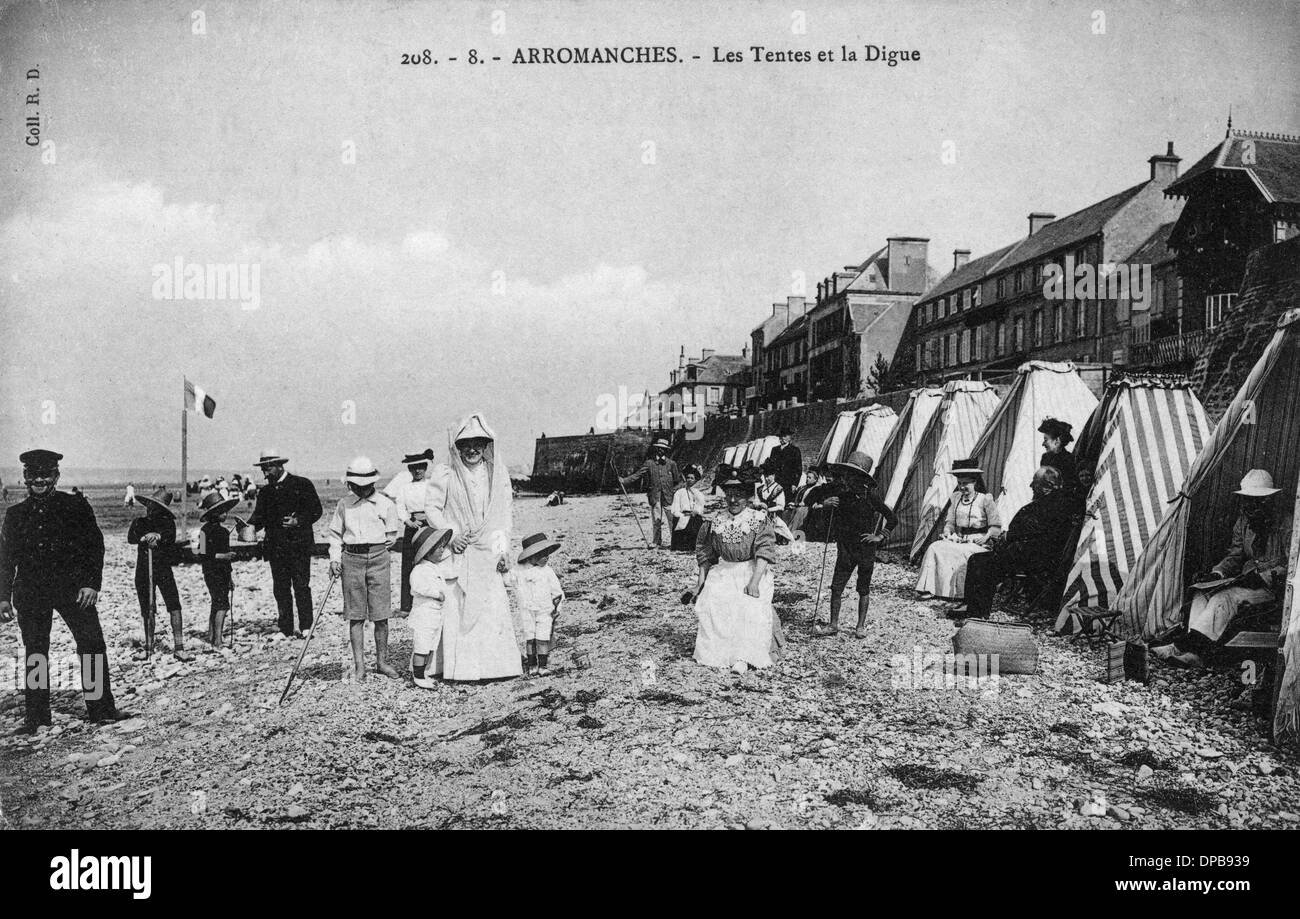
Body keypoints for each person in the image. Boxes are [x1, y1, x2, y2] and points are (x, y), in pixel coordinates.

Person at [0, 449, 129, 733]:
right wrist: (3, 597)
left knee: (92, 645)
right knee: (35, 652)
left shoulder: (76, 506)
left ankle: (102, 709)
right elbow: (6, 558)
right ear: (25, 478)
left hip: (73, 590)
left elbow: (94, 547)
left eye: (46, 475)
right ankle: (37, 718)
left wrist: (91, 584)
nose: (40, 480)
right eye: (34, 475)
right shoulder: (15, 515)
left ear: (56, 476)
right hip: (31, 593)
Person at [1152, 469, 1291, 668]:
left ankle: (1184, 647)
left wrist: (1264, 577)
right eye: (1248, 501)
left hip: (1271, 590)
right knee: (1201, 592)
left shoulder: (1287, 525)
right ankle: (1192, 652)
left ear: (1269, 500)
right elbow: (1235, 556)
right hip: (1247, 584)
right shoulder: (1245, 523)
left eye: (1258, 501)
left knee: (1224, 598)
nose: (1251, 507)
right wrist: (1216, 573)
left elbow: (1293, 565)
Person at [423, 413, 520, 681]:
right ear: (457, 446)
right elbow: (432, 507)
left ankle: (495, 669)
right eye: (466, 444)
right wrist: (451, 534)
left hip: (487, 552)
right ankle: (459, 670)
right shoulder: (446, 472)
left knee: (490, 608)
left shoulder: (496, 474)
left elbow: (503, 515)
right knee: (458, 607)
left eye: (478, 443)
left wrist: (502, 551)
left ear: (486, 445)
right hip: (460, 550)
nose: (472, 449)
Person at [685, 476, 784, 672]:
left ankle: (744, 656)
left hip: (751, 570)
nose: (733, 501)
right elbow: (705, 555)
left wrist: (754, 582)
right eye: (729, 495)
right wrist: (699, 584)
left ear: (748, 497)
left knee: (748, 606)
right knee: (714, 603)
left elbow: (764, 551)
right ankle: (721, 653)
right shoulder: (716, 521)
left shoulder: (758, 519)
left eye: (738, 496)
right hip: (724, 570)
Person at [956, 466, 1074, 620]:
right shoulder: (1054, 503)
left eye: (1035, 483)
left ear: (1048, 486)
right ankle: (972, 607)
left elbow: (1033, 531)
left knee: (981, 563)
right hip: (1029, 554)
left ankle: (977, 613)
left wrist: (1008, 536)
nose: (1031, 486)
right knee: (979, 560)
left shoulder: (1051, 506)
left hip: (1033, 560)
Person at [803, 452, 897, 638]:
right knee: (837, 587)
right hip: (845, 546)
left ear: (862, 478)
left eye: (853, 475)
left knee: (863, 587)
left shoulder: (871, 496)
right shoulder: (839, 492)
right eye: (847, 474)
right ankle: (833, 624)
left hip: (865, 548)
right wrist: (824, 503)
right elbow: (809, 499)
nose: (848, 478)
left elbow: (892, 518)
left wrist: (879, 536)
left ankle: (860, 626)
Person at [328, 457, 401, 681]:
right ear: (350, 484)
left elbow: (392, 534)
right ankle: (360, 666)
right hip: (351, 559)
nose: (361, 489)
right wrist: (334, 559)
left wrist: (384, 545)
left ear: (373, 483)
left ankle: (382, 662)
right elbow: (334, 535)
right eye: (356, 486)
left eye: (366, 485)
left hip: (379, 558)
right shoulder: (344, 504)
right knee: (356, 615)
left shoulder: (386, 504)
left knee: (381, 614)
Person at [249, 449, 323, 637]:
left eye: (268, 469)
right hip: (275, 549)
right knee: (280, 587)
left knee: (301, 585)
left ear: (279, 465)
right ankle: (286, 627)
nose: (265, 474)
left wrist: (298, 521)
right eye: (263, 470)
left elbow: (316, 510)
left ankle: (306, 626)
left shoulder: (302, 484)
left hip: (299, 546)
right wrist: (246, 528)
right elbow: (258, 518)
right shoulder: (265, 492)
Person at [915, 459, 1003, 600]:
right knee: (934, 547)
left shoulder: (985, 499)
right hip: (960, 538)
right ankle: (931, 588)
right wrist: (947, 532)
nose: (962, 487)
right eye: (959, 484)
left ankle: (959, 593)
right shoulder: (956, 498)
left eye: (965, 484)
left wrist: (986, 537)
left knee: (962, 553)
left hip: (979, 541)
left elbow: (996, 526)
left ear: (974, 482)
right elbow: (950, 521)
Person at [128, 487, 191, 661]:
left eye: (155, 506)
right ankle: (148, 647)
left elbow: (169, 539)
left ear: (161, 509)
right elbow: (131, 538)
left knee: (174, 605)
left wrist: (158, 536)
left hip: (163, 568)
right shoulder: (139, 522)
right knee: (147, 608)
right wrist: (143, 537)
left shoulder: (167, 523)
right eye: (149, 505)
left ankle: (179, 647)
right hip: (143, 570)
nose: (151, 508)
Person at [383, 448, 436, 616]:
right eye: (414, 468)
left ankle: (433, 601)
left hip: (430, 525)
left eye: (421, 467)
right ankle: (407, 606)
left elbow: (437, 504)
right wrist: (408, 521)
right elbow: (400, 506)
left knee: (431, 562)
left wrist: (428, 517)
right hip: (411, 527)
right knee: (408, 565)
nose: (418, 471)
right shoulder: (404, 488)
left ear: (425, 468)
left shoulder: (432, 486)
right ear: (409, 470)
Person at [505, 532, 566, 676]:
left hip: (545, 610)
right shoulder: (519, 571)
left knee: (543, 637)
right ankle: (532, 665)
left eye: (547, 554)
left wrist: (558, 607)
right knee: (530, 637)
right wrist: (503, 571)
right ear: (530, 556)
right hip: (527, 610)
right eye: (541, 555)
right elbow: (508, 580)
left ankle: (543, 666)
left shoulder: (547, 571)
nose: (546, 558)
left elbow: (557, 592)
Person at [408, 525, 454, 689]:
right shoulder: (420, 570)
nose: (442, 550)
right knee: (422, 645)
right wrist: (436, 593)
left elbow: (448, 555)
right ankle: (418, 675)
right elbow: (418, 587)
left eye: (442, 546)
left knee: (430, 644)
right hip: (424, 614)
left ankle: (424, 672)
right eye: (438, 548)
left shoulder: (434, 567)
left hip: (435, 615)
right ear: (428, 552)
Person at [619, 438, 682, 549]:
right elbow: (637, 475)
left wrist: (673, 491)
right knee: (656, 521)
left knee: (672, 520)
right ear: (656, 449)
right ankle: (657, 542)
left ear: (666, 450)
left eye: (663, 449)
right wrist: (624, 480)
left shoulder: (672, 464)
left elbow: (677, 481)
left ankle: (676, 542)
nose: (660, 450)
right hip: (655, 496)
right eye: (658, 448)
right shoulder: (649, 463)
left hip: (669, 497)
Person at [195, 490, 238, 649]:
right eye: (222, 511)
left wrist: (230, 577)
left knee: (216, 603)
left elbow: (202, 553)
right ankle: (218, 640)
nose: (225, 514)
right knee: (222, 606)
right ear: (214, 513)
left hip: (216, 573)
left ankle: (212, 635)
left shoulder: (213, 531)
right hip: (214, 572)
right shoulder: (207, 531)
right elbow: (202, 553)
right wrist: (223, 556)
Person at [669, 465, 708, 550]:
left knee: (697, 521)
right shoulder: (679, 492)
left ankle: (693, 545)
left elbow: (700, 506)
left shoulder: (698, 493)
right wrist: (681, 515)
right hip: (682, 515)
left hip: (693, 515)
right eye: (688, 478)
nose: (689, 480)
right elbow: (675, 508)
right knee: (679, 521)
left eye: (692, 478)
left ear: (695, 480)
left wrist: (695, 512)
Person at [755, 462, 795, 543]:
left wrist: (768, 509)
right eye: (765, 476)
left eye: (768, 476)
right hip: (760, 513)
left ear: (773, 475)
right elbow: (756, 501)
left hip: (773, 516)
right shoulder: (760, 488)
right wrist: (760, 504)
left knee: (786, 533)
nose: (766, 478)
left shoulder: (778, 488)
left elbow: (781, 506)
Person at [1039, 418, 1076, 486]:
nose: (1043, 444)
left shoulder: (1069, 460)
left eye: (1046, 440)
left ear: (1057, 441)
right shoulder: (1045, 458)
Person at [768, 428, 803, 500]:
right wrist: (770, 475)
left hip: (788, 483)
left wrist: (795, 484)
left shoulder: (795, 450)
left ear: (789, 438)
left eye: (784, 436)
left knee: (786, 502)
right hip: (775, 481)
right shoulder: (775, 450)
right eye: (780, 436)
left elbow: (798, 470)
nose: (781, 438)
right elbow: (770, 465)